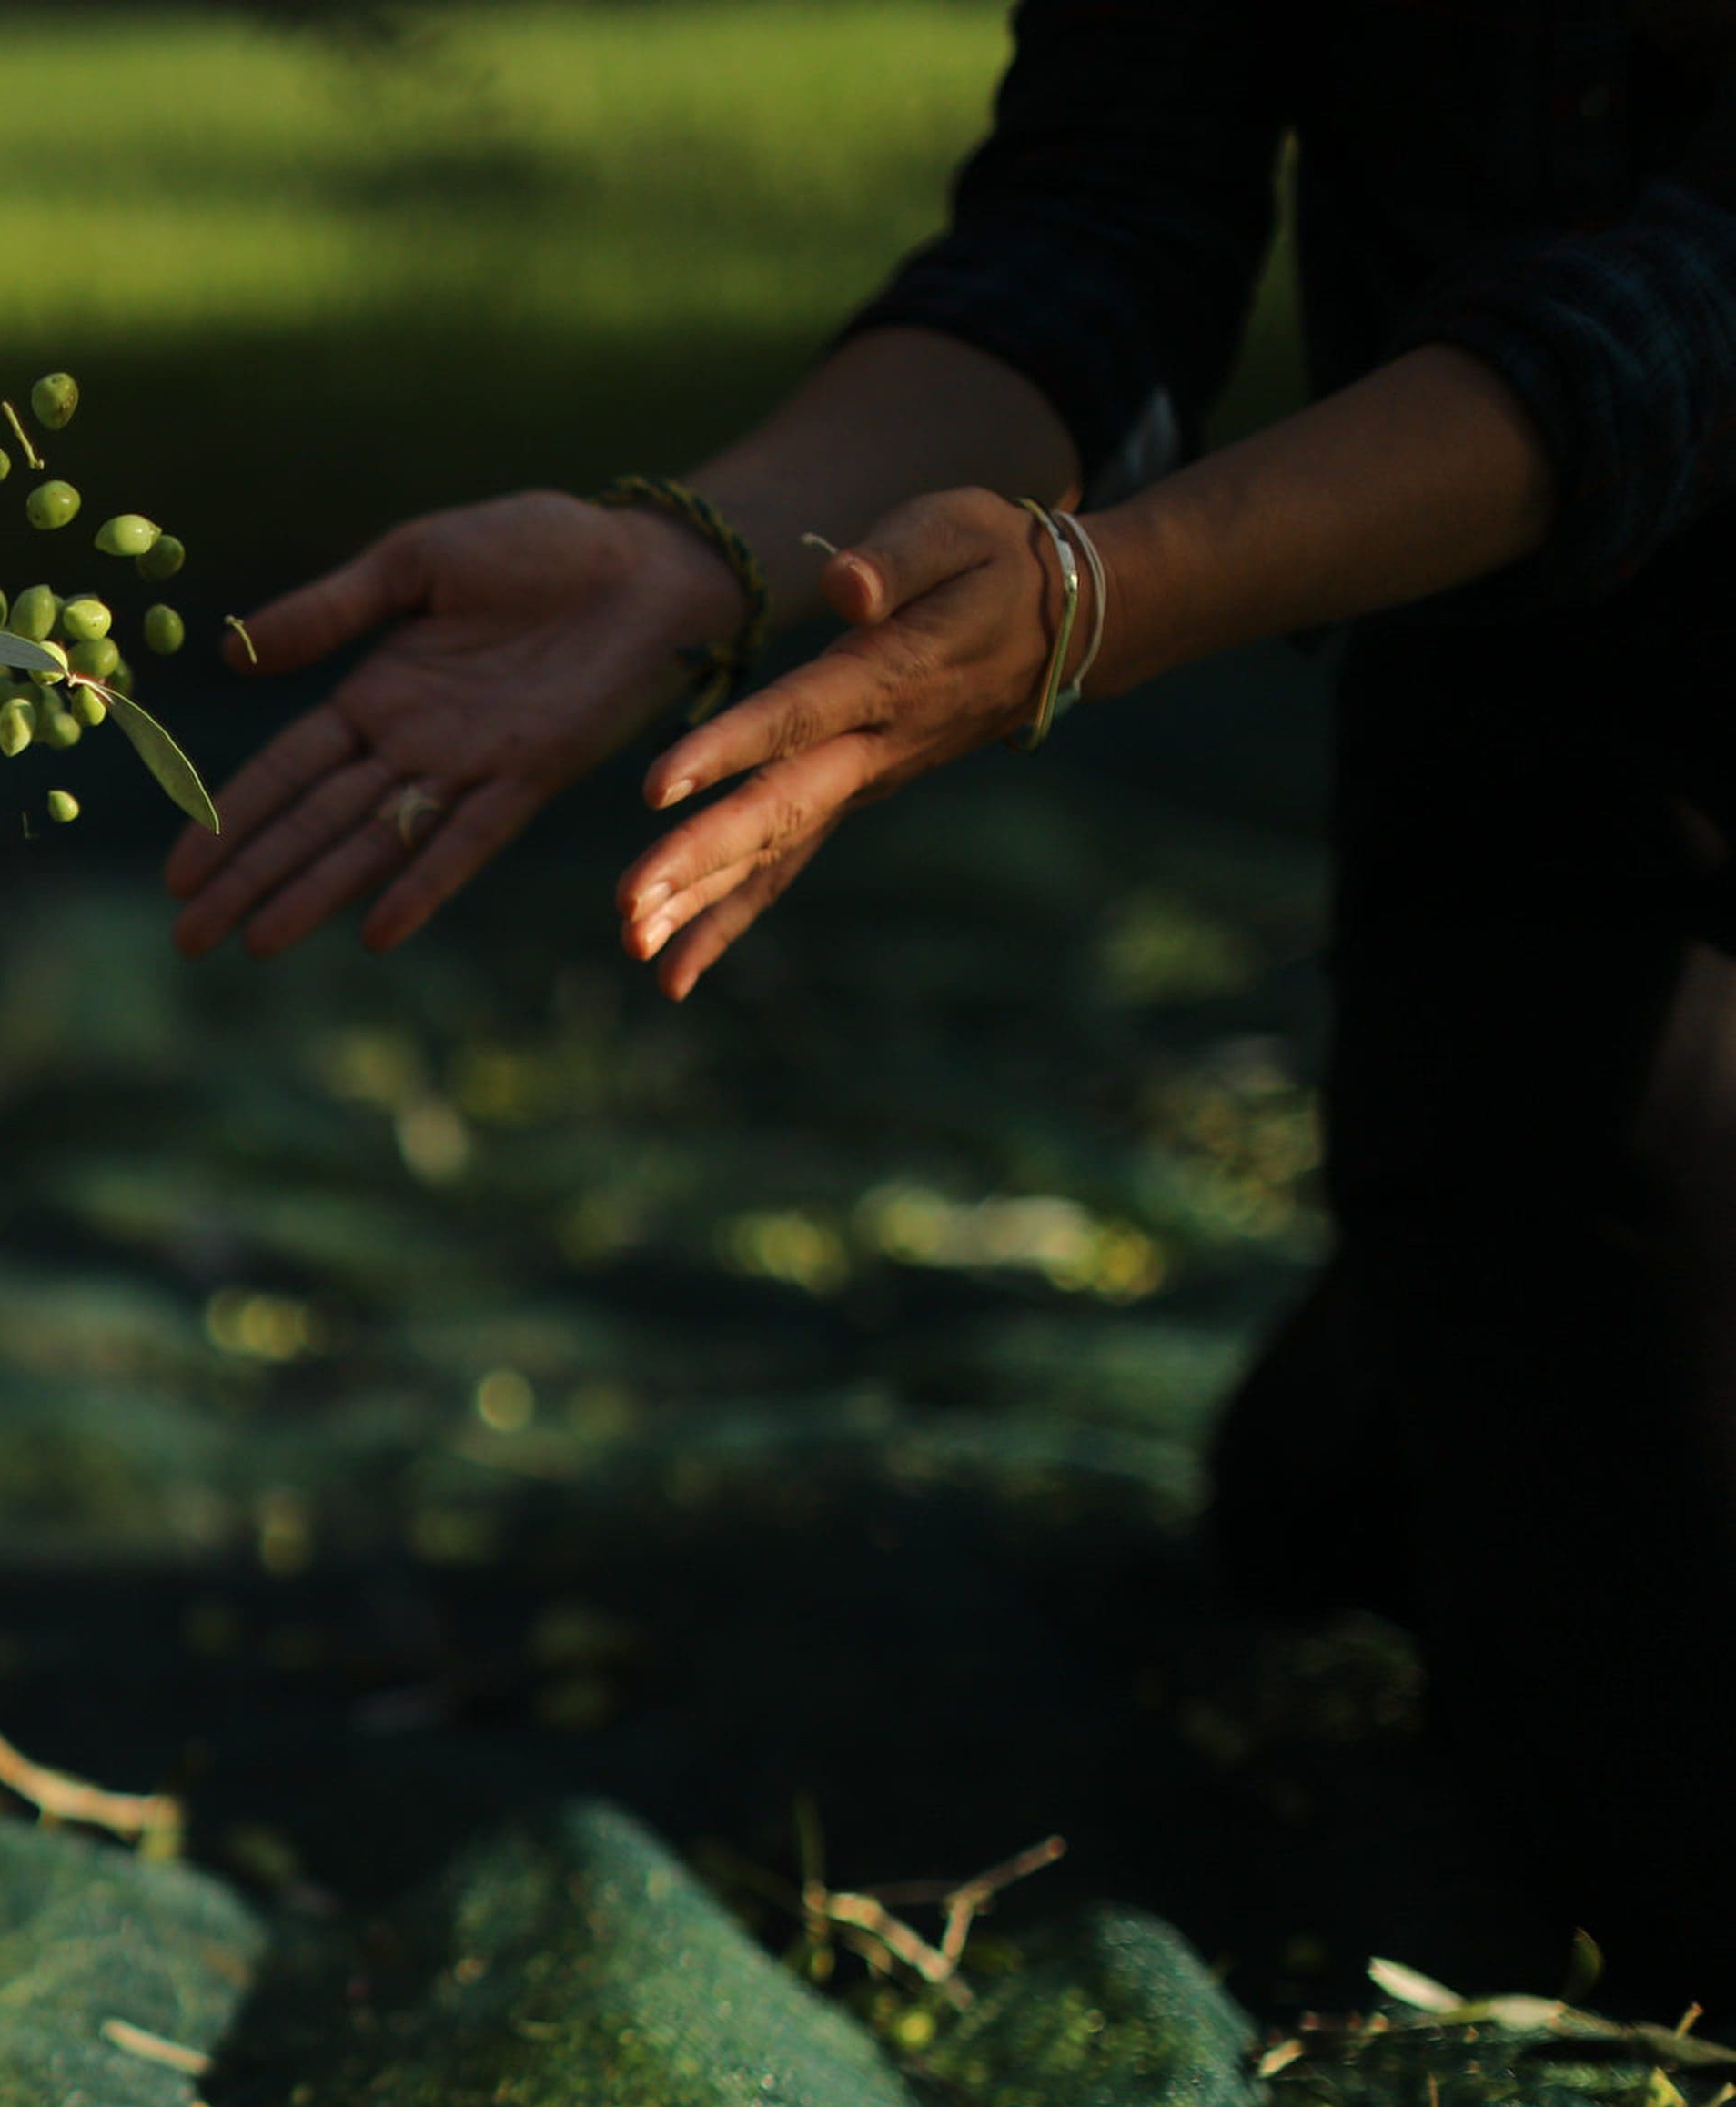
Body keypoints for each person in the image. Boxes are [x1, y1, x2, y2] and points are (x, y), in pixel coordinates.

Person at [166, 4, 1736, 2002]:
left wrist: (1099, 598)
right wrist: (702, 549)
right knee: (1675, 1846)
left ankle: (1471, 1311)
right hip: (1563, 785)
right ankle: (1438, 1336)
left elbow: (1689, 325)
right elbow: (1097, 228)